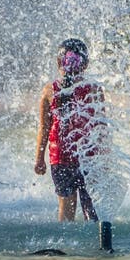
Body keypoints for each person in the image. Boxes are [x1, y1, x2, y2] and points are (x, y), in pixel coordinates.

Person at [34, 39, 105, 222]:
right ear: (86, 64)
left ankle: (64, 246)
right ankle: (98, 245)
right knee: (92, 207)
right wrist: (104, 156)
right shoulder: (94, 89)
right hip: (88, 156)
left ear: (59, 63)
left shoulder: (50, 90)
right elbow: (100, 126)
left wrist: (39, 159)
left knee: (66, 212)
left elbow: (44, 128)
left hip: (61, 158)